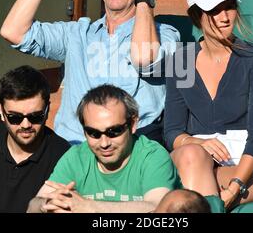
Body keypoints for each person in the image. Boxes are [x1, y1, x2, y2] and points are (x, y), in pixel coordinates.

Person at [0, 0, 180, 145]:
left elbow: (144, 59)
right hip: (74, 148)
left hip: (130, 149)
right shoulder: (78, 33)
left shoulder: (164, 34)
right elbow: (13, 31)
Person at [164, 0, 253, 210]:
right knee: (191, 157)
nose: (225, 17)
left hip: (247, 163)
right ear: (196, 16)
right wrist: (195, 142)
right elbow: (173, 131)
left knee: (194, 196)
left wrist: (235, 187)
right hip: (193, 157)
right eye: (215, 10)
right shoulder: (182, 61)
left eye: (229, 6)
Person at [27, 84, 179, 213]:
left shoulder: (152, 155)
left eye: (114, 131)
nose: (104, 143)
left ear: (133, 124)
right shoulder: (76, 157)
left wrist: (88, 206)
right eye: (93, 133)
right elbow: (33, 205)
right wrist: (46, 204)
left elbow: (158, 208)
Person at [0, 65, 70, 212]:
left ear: (47, 109)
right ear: (0, 111)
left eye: (35, 116)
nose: (26, 125)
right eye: (15, 117)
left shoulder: (64, 158)